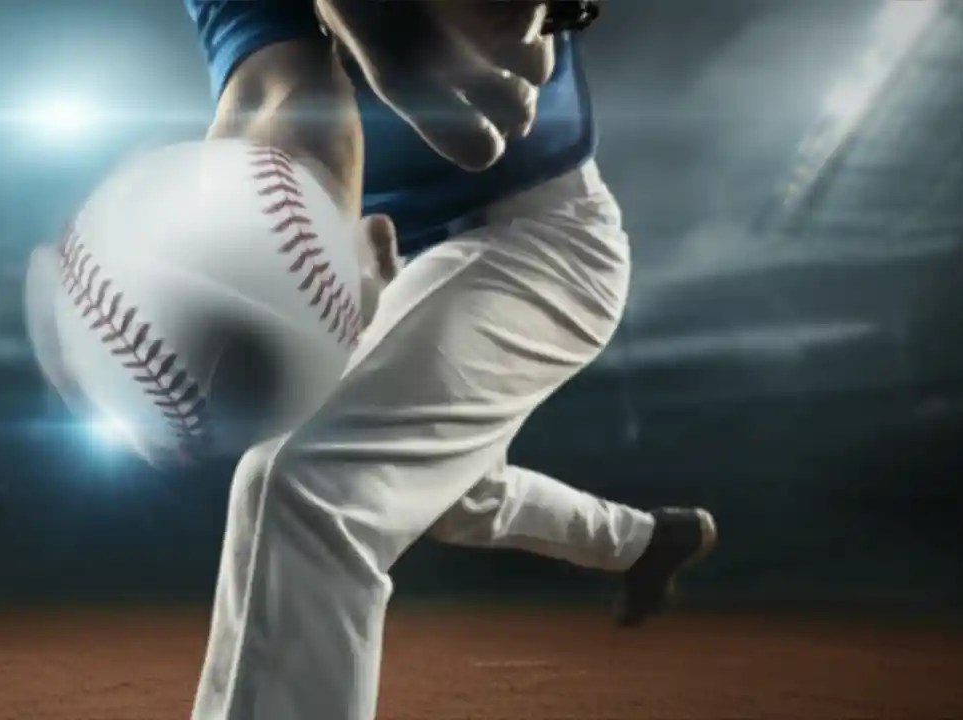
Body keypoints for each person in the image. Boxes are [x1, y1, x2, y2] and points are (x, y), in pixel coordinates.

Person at [172, 2, 718, 718]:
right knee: (449, 492)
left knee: (305, 482)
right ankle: (648, 543)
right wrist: (294, 248)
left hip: (542, 238)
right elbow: (275, 89)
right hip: (401, 259)